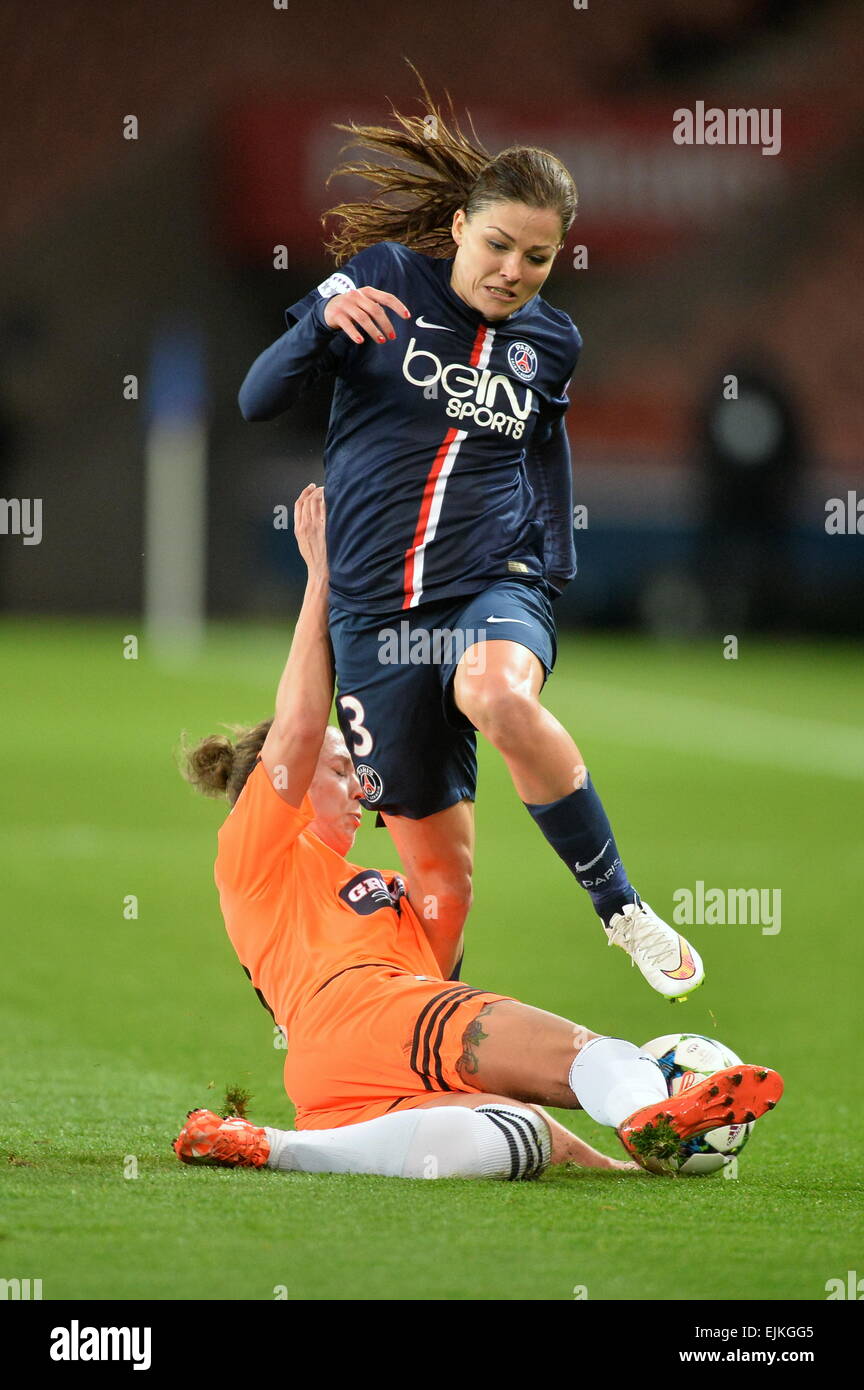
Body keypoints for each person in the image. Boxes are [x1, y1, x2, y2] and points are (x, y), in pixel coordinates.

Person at [237, 70, 704, 999]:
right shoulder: (379, 279)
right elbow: (258, 399)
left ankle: (620, 908)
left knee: (496, 690)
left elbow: (546, 443)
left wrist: (547, 574)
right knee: (440, 883)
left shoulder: (551, 343)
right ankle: (422, 1063)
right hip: (374, 618)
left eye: (538, 256)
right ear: (458, 229)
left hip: (490, 586)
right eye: (498, 245)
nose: (513, 271)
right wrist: (317, 328)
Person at [173, 486, 781, 1183]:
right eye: (340, 768)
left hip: (328, 1070)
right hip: (374, 1010)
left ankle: (272, 1145)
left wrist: (613, 1169)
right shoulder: (255, 852)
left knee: (517, 1134)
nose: (360, 783)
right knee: (587, 1055)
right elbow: (304, 721)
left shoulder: (383, 890)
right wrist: (322, 581)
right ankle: (649, 1095)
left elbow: (449, 980)